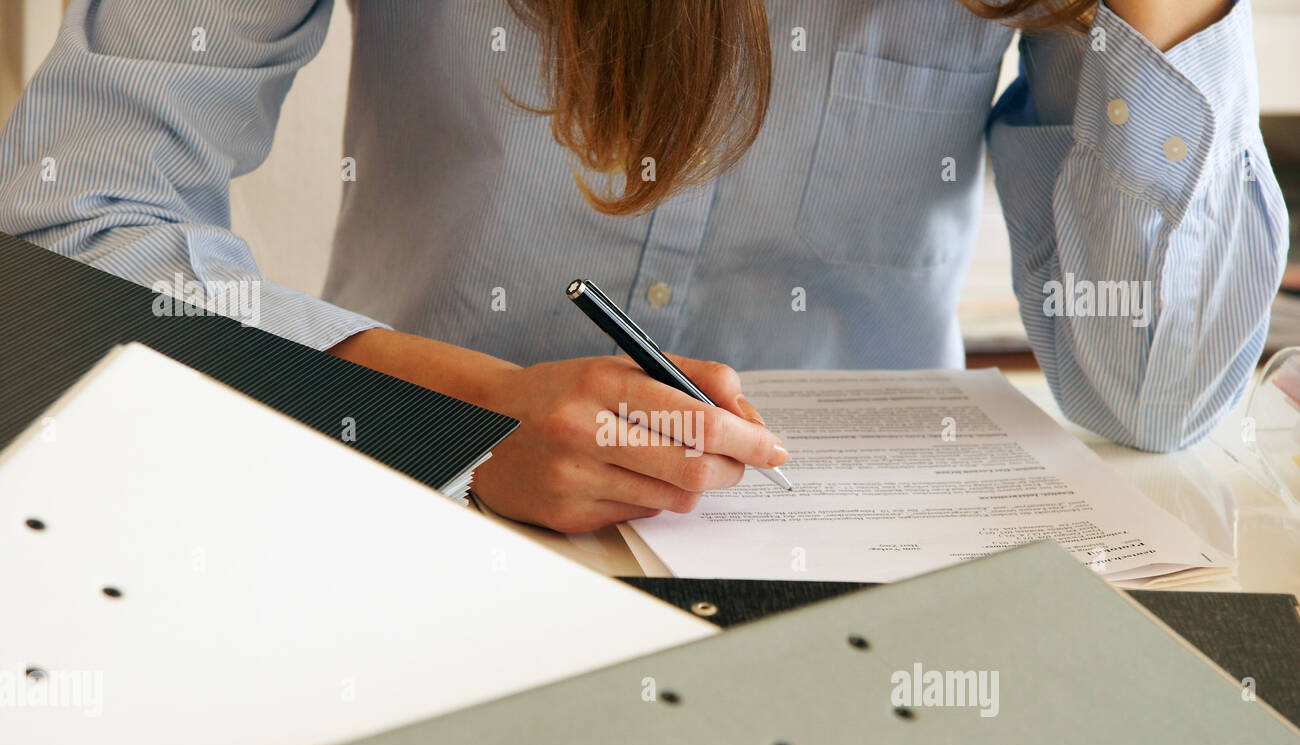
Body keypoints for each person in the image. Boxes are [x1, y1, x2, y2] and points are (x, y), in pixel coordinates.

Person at [0, 0, 1285, 532]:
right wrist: (429, 413)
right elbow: (68, 224)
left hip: (873, 562)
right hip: (419, 513)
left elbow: (1154, 394)